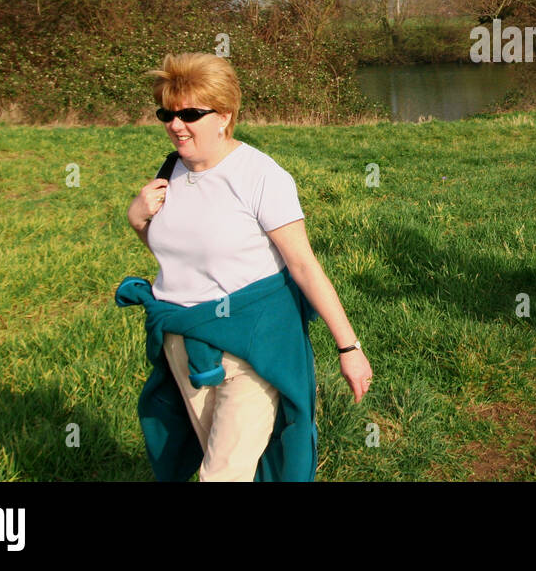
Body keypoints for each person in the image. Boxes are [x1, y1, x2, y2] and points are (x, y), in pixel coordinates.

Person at [119, 52, 372, 481]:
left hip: (252, 348)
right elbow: (177, 256)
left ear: (224, 116)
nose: (175, 125)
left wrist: (349, 348)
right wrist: (137, 219)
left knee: (220, 475)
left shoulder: (260, 177)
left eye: (190, 115)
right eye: (167, 112)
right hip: (185, 346)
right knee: (225, 462)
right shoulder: (169, 173)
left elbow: (304, 265)